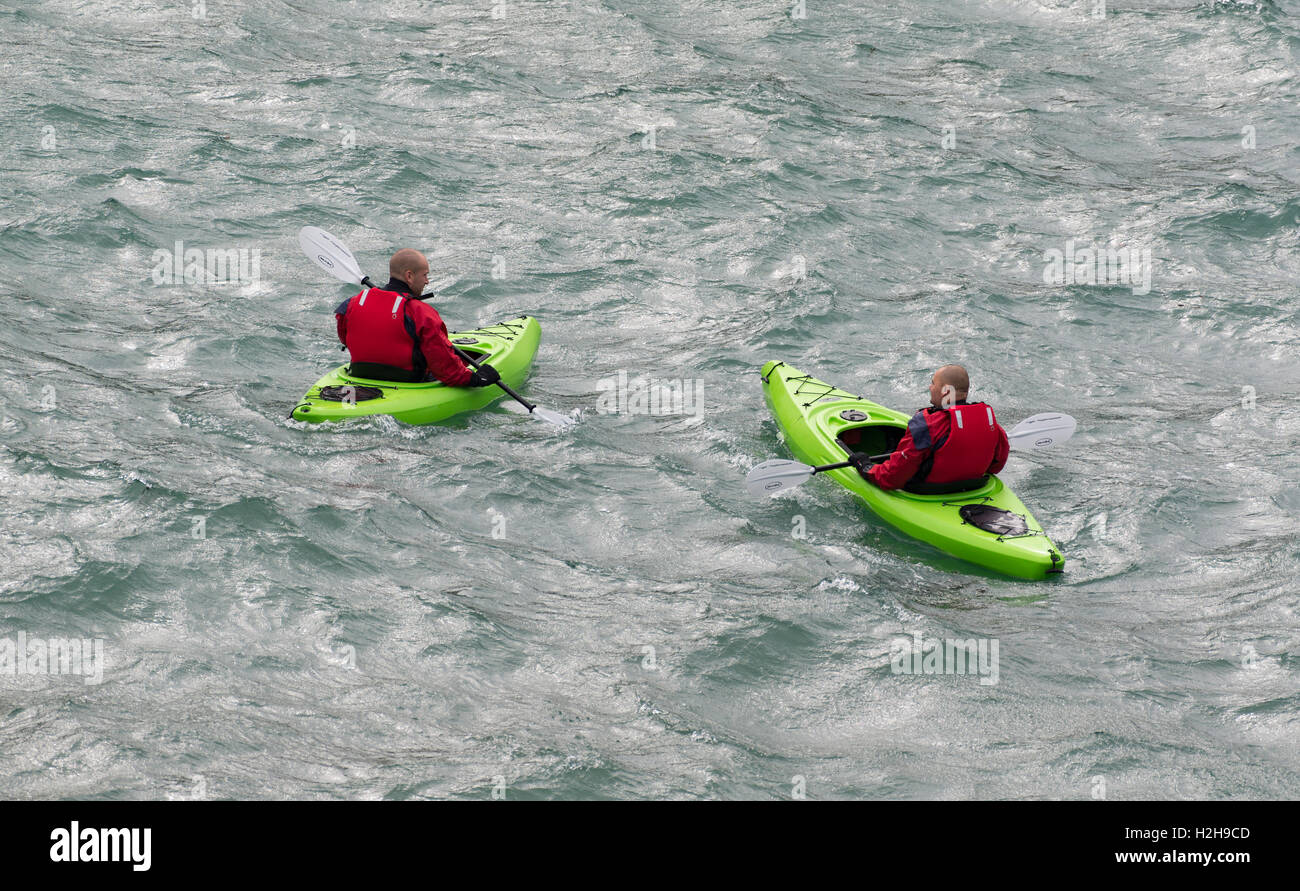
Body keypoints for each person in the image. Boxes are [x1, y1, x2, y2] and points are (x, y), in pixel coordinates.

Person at [333, 249, 500, 387]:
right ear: (409, 276)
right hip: (408, 381)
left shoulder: (352, 303)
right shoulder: (421, 313)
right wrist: (475, 379)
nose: (427, 281)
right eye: (425, 275)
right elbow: (444, 367)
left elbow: (345, 338)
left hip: (360, 375)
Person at [850, 365, 1009, 493]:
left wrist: (866, 467)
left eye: (933, 383)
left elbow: (892, 478)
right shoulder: (990, 422)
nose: (930, 387)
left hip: (927, 489)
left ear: (946, 391)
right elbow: (996, 465)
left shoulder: (927, 424)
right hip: (974, 485)